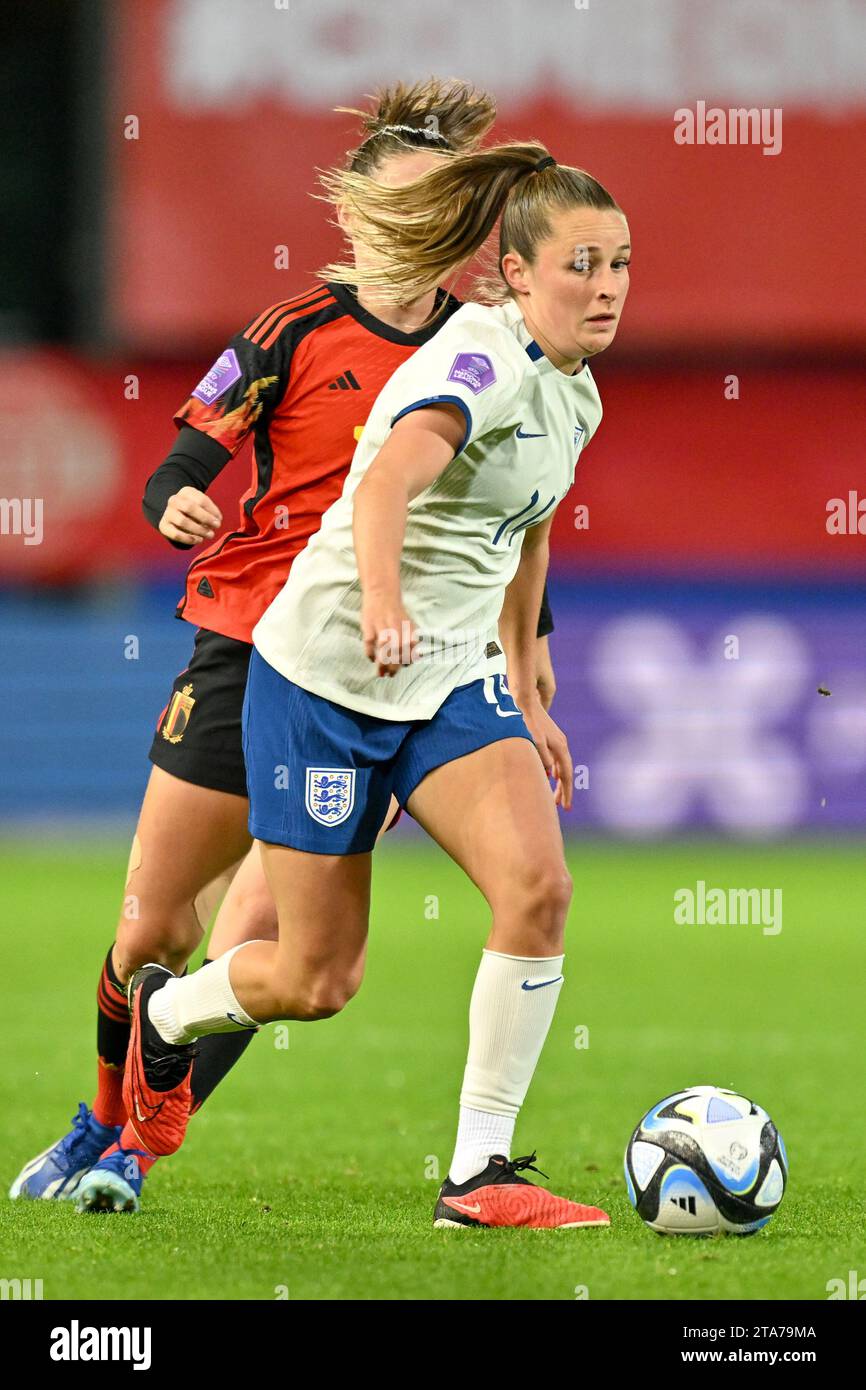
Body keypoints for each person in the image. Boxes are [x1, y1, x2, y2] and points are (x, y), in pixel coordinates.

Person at [10, 80, 552, 1212]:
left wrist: (520, 656)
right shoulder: (290, 330)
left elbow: (510, 511)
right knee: (156, 926)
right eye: (405, 204)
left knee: (269, 941)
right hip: (248, 645)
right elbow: (177, 467)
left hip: (376, 671)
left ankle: (131, 1154)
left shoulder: (484, 349)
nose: (425, 226)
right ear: (354, 212)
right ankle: (98, 1116)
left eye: (445, 207)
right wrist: (177, 507)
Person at [120, 143, 631, 1228]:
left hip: (445, 680)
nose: (605, 287)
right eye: (581, 264)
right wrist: (386, 601)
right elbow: (391, 474)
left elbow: (526, 523)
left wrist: (528, 687)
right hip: (328, 674)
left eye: (620, 263)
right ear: (512, 275)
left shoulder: (574, 391)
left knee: (537, 890)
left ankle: (479, 1174)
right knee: (314, 979)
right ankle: (167, 1019)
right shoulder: (478, 361)